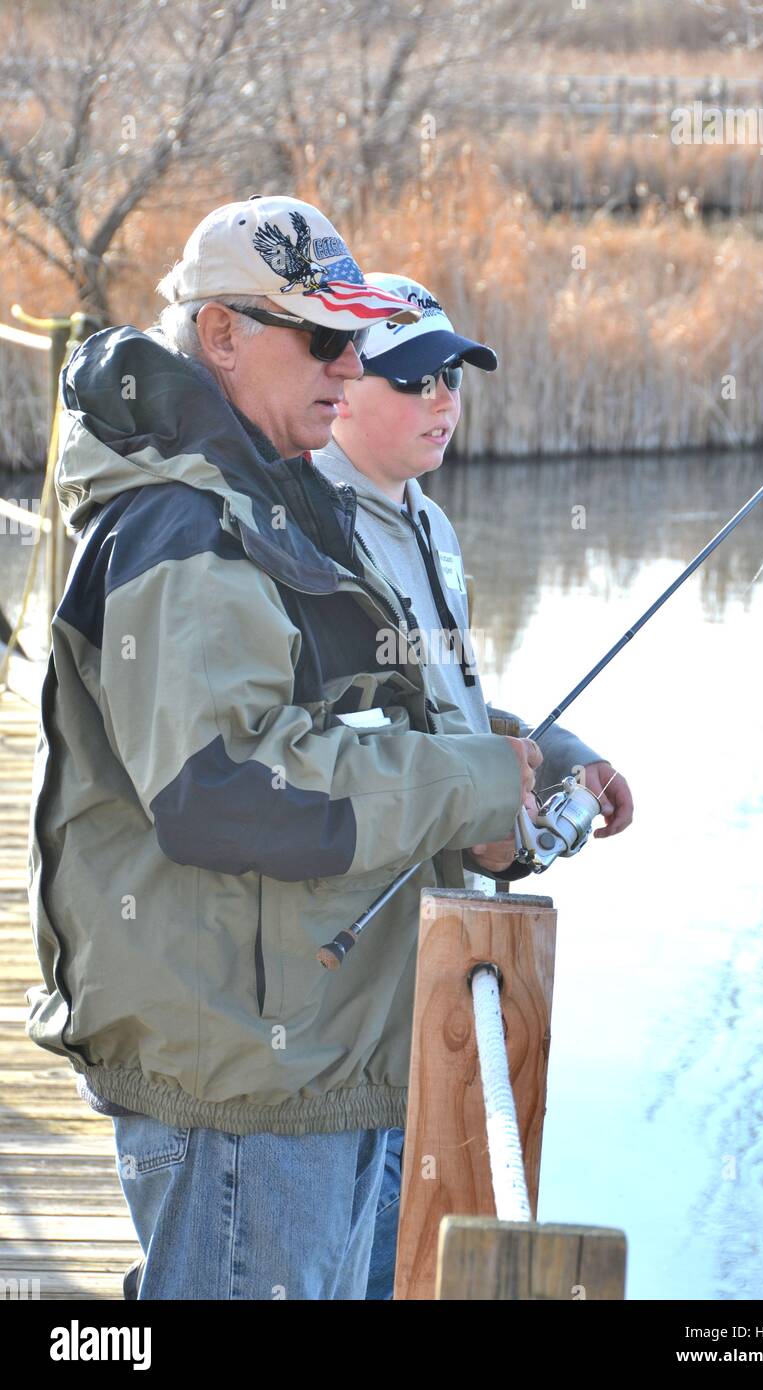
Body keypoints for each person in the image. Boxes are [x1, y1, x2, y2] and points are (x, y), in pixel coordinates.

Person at [24, 196, 546, 1301]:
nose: (350, 365)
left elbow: (340, 713)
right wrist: (468, 786)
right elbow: (229, 789)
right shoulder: (187, 524)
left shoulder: (267, 494)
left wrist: (510, 758)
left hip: (296, 1048)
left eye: (358, 340)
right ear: (221, 335)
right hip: (242, 1068)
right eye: (321, 338)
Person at [313, 274, 635, 1298]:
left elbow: (447, 711)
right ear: (343, 384)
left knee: (391, 1244)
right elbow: (341, 750)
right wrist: (483, 813)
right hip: (337, 983)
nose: (442, 400)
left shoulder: (428, 524)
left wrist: (563, 752)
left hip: (426, 954)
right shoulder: (308, 532)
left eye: (451, 375)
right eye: (414, 379)